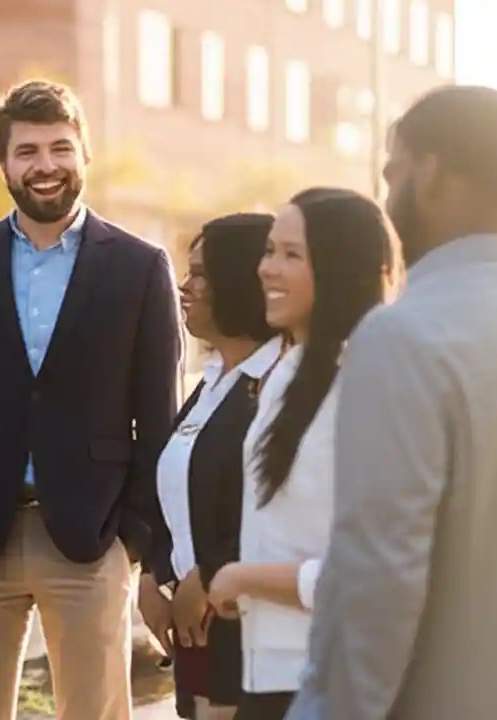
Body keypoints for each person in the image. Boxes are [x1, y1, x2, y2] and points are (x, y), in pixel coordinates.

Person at [285, 85, 497, 720]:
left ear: (431, 170)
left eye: (394, 173)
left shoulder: (399, 334)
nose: (388, 198)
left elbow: (377, 579)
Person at [0, 78, 183, 720]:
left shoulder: (140, 267)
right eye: (27, 151)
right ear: (4, 164)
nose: (45, 166)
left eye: (60, 148)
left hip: (90, 536)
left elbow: (158, 419)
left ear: (85, 155)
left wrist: (137, 538)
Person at [202, 189, 399, 720]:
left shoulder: (369, 378)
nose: (267, 268)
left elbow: (374, 566)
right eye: (269, 251)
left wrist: (247, 578)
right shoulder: (288, 373)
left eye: (291, 254)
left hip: (333, 677)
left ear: (338, 266)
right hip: (268, 672)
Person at [139, 213, 279, 720]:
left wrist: (212, 571)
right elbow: (174, 486)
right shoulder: (214, 379)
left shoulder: (278, 382)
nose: (185, 285)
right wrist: (154, 574)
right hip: (195, 631)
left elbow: (276, 507)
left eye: (201, 274)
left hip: (246, 626)